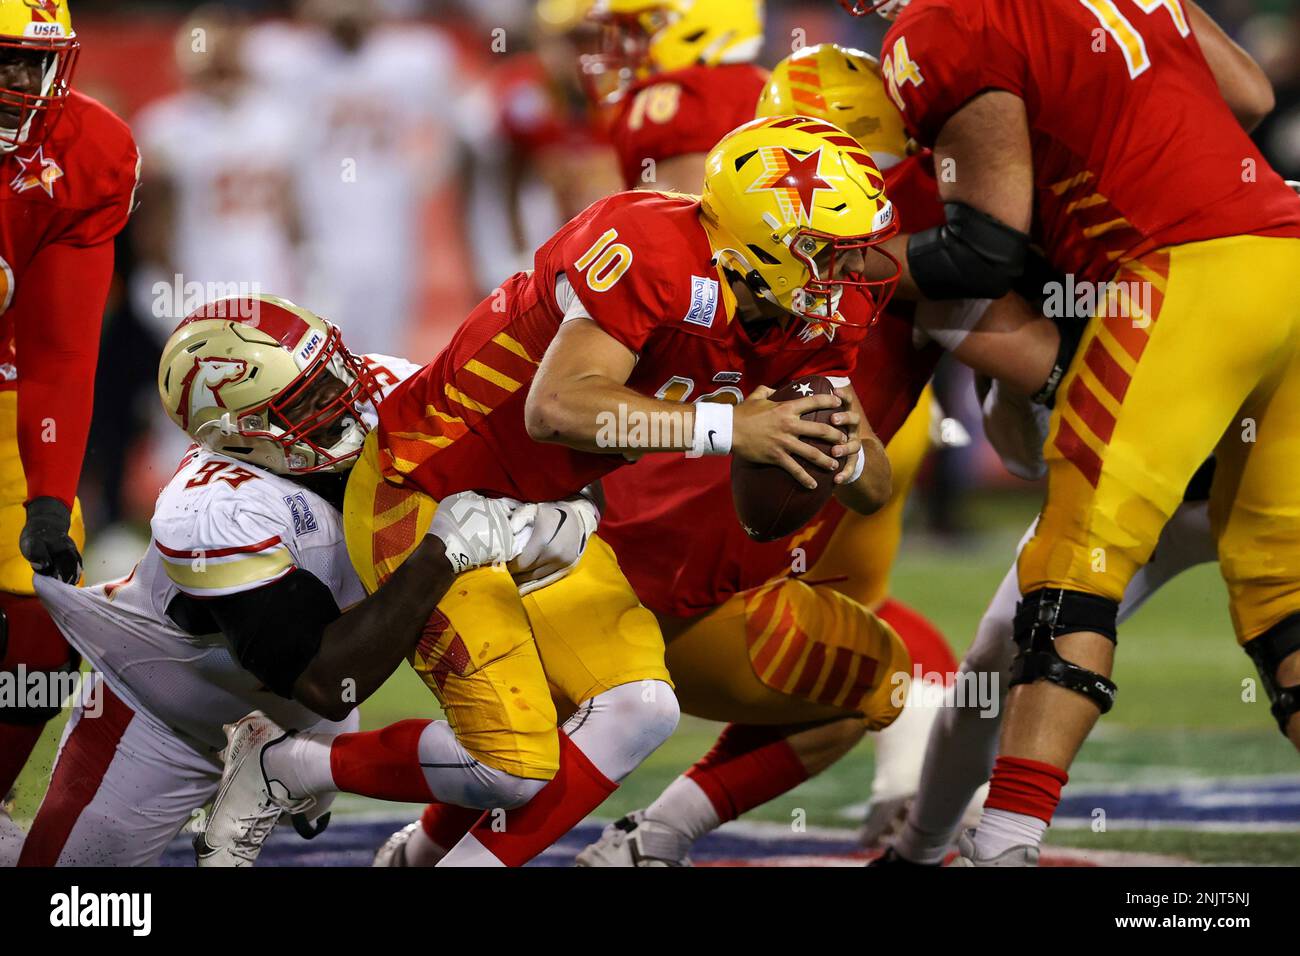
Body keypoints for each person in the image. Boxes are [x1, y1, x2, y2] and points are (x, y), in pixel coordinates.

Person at [200, 116, 902, 868]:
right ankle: (286, 766)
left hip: (542, 514)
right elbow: (558, 406)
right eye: (827, 250)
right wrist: (735, 428)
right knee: (512, 760)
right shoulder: (649, 245)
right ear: (760, 240)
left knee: (641, 709)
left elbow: (866, 489)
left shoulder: (818, 311)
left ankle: (427, 854)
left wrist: (848, 460)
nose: (852, 269)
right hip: (429, 486)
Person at [842, 0, 1300, 865]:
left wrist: (826, 259)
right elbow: (1246, 95)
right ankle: (928, 845)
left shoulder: (943, 32)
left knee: (1066, 574)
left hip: (1181, 292)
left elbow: (979, 250)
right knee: (1286, 607)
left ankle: (1002, 847)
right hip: (1281, 266)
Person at [18, 293, 568, 866]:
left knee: (348, 793)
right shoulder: (214, 511)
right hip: (172, 703)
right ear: (239, 433)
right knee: (72, 889)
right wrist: (442, 552)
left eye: (331, 372)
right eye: (308, 400)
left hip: (324, 661)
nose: (346, 401)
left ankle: (281, 767)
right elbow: (326, 683)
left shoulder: (384, 388)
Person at [0, 0, 139, 861]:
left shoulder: (85, 150)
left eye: (31, 63)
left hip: (6, 387)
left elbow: (59, 352)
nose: (19, 84)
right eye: (0, 62)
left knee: (42, 622)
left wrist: (50, 495)